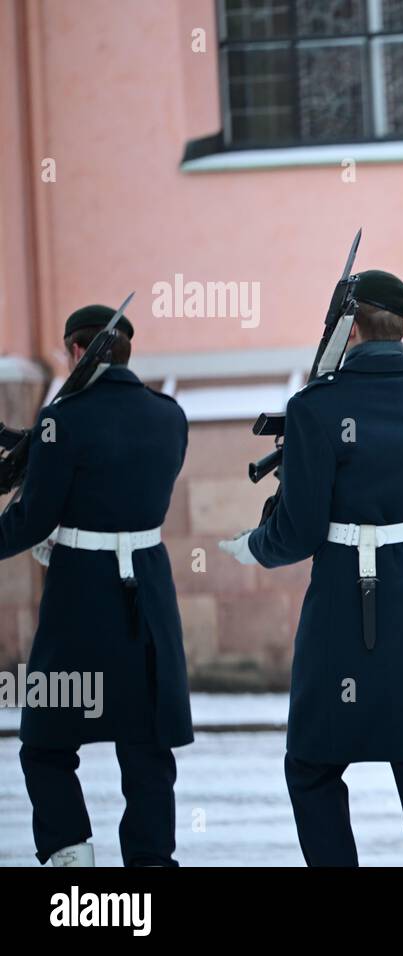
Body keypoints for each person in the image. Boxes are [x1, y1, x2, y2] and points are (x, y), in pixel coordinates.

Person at [220, 270, 403, 866]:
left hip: (345, 608)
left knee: (314, 768)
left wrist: (255, 545)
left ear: (347, 329)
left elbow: (297, 532)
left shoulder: (316, 407)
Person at [1, 304, 192, 866]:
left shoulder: (67, 418)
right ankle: (151, 865)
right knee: (147, 750)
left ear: (78, 352)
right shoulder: (170, 415)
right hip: (149, 594)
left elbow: (34, 517)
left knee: (46, 745)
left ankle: (73, 865)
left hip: (81, 598)